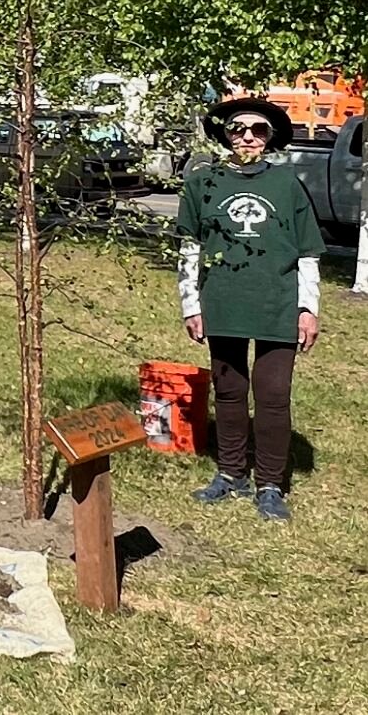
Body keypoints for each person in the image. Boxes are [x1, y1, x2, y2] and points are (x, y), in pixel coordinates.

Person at [178, 96, 322, 522]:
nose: (247, 137)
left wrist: (307, 308)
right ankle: (231, 473)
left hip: (278, 303)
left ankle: (271, 484)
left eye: (258, 130)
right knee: (229, 391)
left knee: (273, 395)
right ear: (225, 135)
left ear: (269, 137)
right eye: (238, 129)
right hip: (224, 301)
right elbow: (190, 247)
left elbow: (308, 253)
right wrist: (191, 304)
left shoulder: (287, 185)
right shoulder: (203, 183)